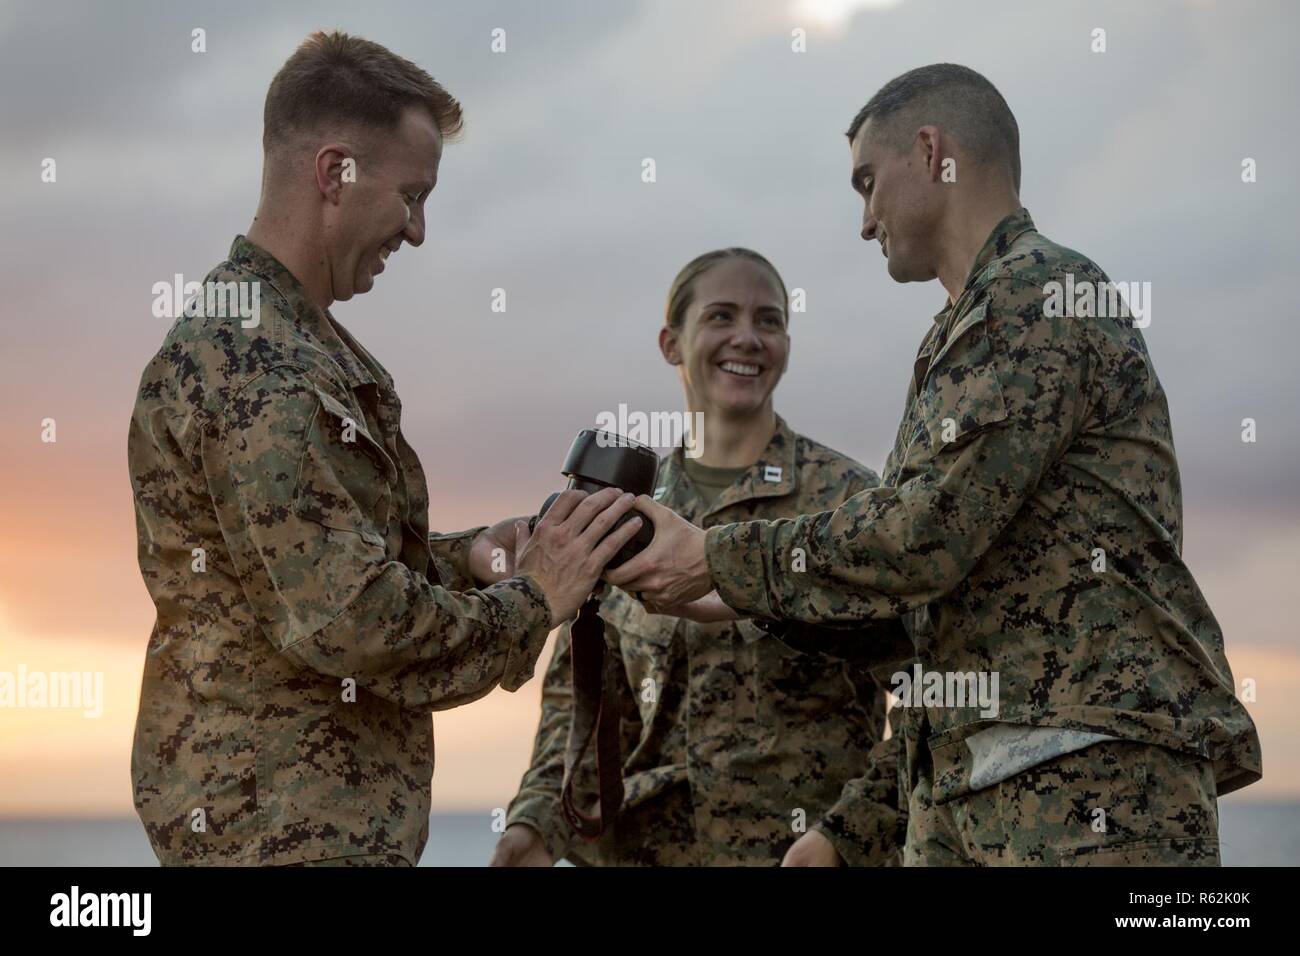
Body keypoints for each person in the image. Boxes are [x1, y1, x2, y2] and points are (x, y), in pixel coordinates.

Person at [608, 64, 1261, 865]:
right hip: (968, 783)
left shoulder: (1040, 296)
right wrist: (747, 600)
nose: (864, 219)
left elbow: (925, 534)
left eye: (867, 182)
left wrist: (717, 559)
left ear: (930, 151)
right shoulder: (962, 328)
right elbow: (927, 602)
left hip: (1088, 773)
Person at [128, 31, 641, 866]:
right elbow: (351, 623)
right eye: (412, 196)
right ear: (336, 172)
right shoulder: (262, 367)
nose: (419, 229)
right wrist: (536, 598)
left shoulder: (304, 346)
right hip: (280, 837)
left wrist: (473, 559)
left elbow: (328, 566)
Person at [492, 248, 910, 867]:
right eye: (721, 316)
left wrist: (844, 837)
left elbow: (935, 695)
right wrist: (532, 830)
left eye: (769, 321)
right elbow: (582, 709)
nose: (748, 337)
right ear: (671, 342)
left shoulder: (851, 504)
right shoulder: (624, 514)